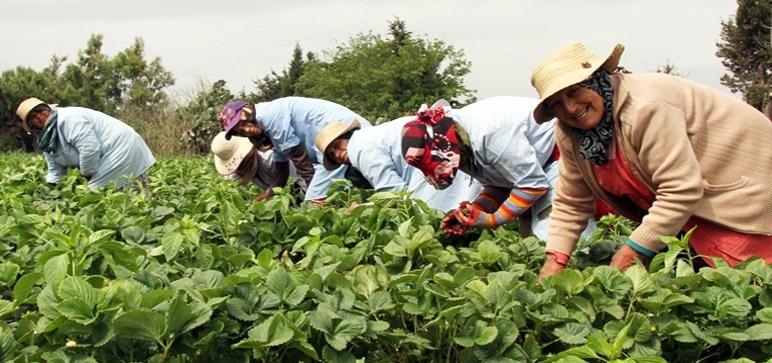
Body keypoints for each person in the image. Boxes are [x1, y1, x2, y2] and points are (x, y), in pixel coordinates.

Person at [530, 43, 772, 276]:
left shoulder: (645, 108)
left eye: (575, 92)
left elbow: (680, 190)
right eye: (557, 105)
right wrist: (555, 260)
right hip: (690, 209)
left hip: (742, 187)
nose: (571, 108)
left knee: (750, 277)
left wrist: (634, 250)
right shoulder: (569, 132)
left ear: (597, 80)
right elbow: (572, 201)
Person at [401, 97, 594, 241]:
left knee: (556, 235)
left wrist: (492, 220)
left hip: (563, 154)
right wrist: (474, 211)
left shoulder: (490, 134)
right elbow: (499, 185)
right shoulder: (461, 142)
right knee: (530, 241)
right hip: (537, 170)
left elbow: (533, 186)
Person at [315, 116, 482, 211]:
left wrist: (362, 209)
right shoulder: (369, 137)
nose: (338, 154)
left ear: (348, 136)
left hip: (435, 162)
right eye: (332, 155)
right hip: (448, 151)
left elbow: (394, 194)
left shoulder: (359, 148)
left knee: (430, 218)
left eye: (337, 145)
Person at [218, 97, 371, 202]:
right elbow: (282, 166)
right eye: (240, 131)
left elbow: (299, 158)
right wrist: (269, 194)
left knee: (314, 203)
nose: (247, 130)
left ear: (247, 111)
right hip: (331, 146)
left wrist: (314, 193)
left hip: (341, 136)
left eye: (244, 124)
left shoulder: (270, 116)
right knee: (360, 179)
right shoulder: (265, 128)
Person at [15, 97, 155, 194]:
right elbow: (55, 169)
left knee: (96, 194)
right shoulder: (46, 140)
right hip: (107, 154)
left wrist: (87, 174)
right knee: (124, 191)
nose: (39, 116)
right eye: (33, 117)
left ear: (48, 109)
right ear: (31, 125)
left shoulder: (69, 118)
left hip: (119, 145)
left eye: (40, 110)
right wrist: (52, 191)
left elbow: (89, 148)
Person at [210, 131, 305, 194]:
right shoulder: (236, 171)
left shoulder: (270, 158)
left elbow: (298, 181)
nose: (239, 170)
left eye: (241, 164)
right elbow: (230, 182)